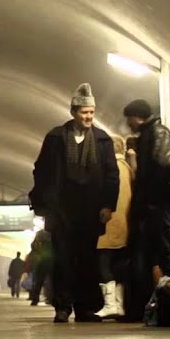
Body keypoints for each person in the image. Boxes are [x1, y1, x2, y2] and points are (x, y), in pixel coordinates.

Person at [30, 83, 120, 323]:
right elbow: (41, 170)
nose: (88, 117)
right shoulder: (56, 138)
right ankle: (63, 306)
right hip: (61, 210)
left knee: (88, 259)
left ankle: (85, 307)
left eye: (91, 112)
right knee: (62, 259)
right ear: (73, 112)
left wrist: (108, 205)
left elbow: (112, 175)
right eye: (84, 112)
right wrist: (46, 203)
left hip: (90, 210)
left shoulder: (102, 140)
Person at [124, 99, 170, 300]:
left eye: (129, 119)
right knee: (160, 251)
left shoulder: (158, 134)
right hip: (155, 203)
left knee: (167, 250)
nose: (128, 124)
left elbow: (161, 165)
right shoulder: (151, 134)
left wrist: (149, 195)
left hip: (160, 203)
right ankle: (167, 298)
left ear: (136, 117)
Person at [95, 134, 133, 319]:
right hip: (125, 224)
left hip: (108, 223)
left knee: (103, 263)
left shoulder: (107, 169)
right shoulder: (128, 168)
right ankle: (119, 304)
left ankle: (110, 305)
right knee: (119, 266)